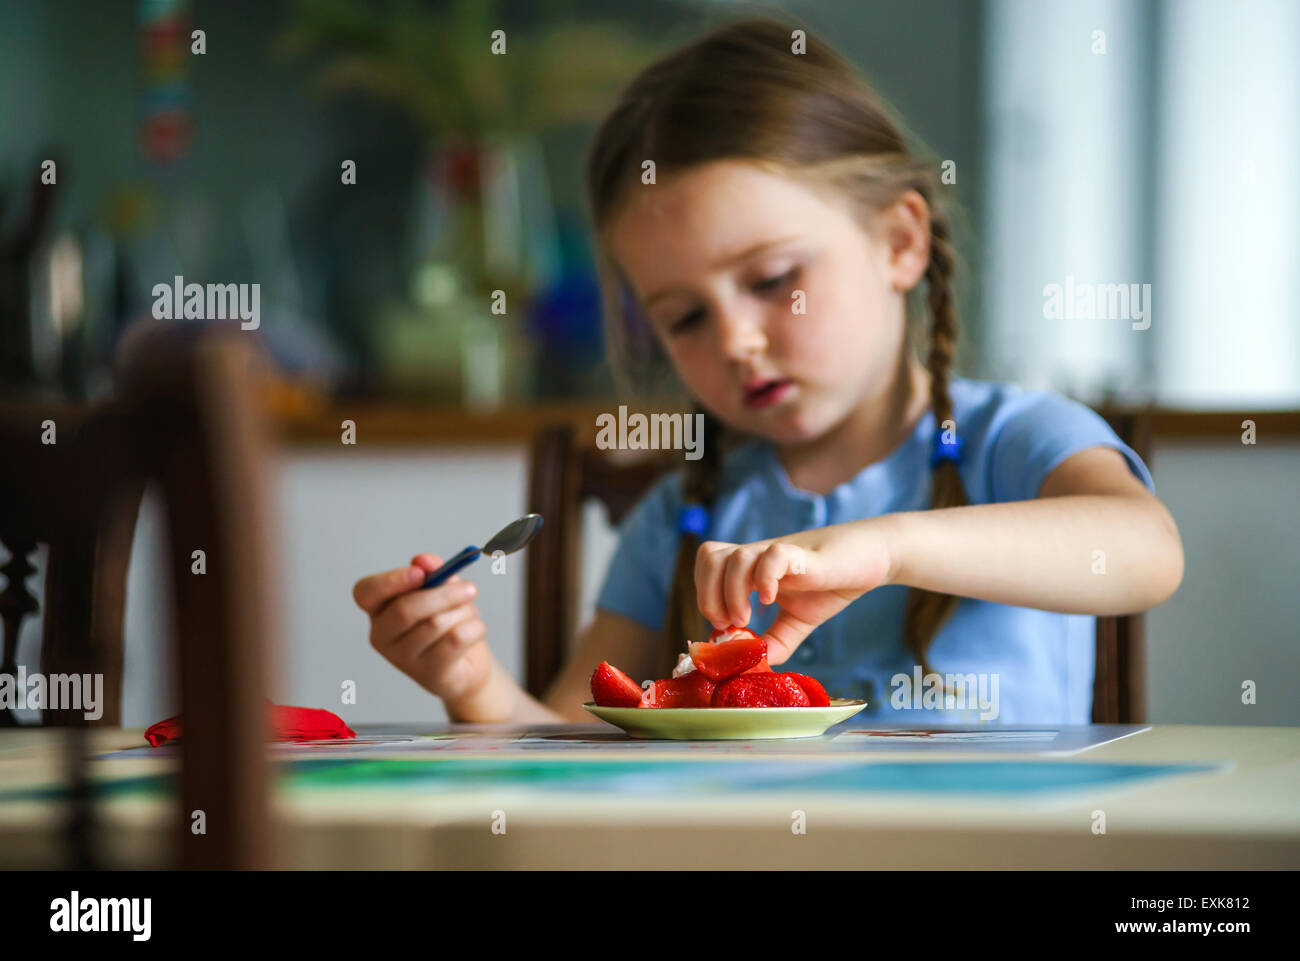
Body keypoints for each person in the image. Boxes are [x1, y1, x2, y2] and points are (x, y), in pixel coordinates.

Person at [352, 16, 1183, 725]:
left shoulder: (1013, 441)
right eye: (684, 317)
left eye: (774, 280)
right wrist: (472, 683)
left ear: (899, 242)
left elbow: (1145, 551)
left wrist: (888, 548)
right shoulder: (686, 513)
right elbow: (570, 745)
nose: (739, 341)